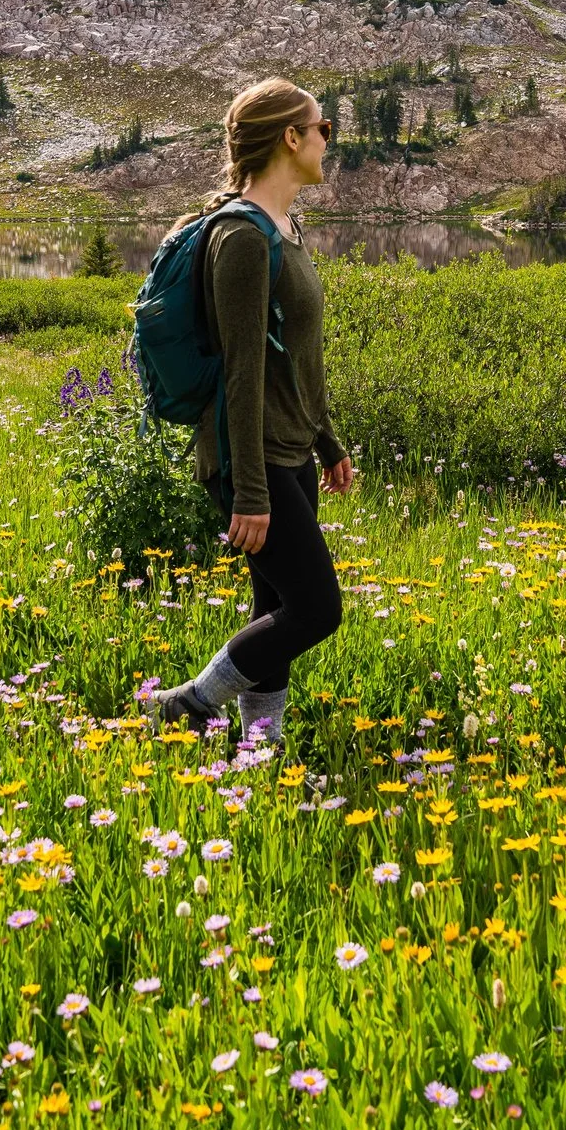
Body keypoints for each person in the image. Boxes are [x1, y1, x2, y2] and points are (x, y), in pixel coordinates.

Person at [140, 79, 355, 744]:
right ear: (291, 138)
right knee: (317, 609)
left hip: (288, 450)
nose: (328, 141)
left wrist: (328, 443)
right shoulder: (238, 237)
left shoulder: (286, 227)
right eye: (323, 129)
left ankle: (260, 749)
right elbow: (241, 371)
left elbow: (293, 358)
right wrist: (251, 494)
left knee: (276, 606)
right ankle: (189, 703)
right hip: (246, 460)